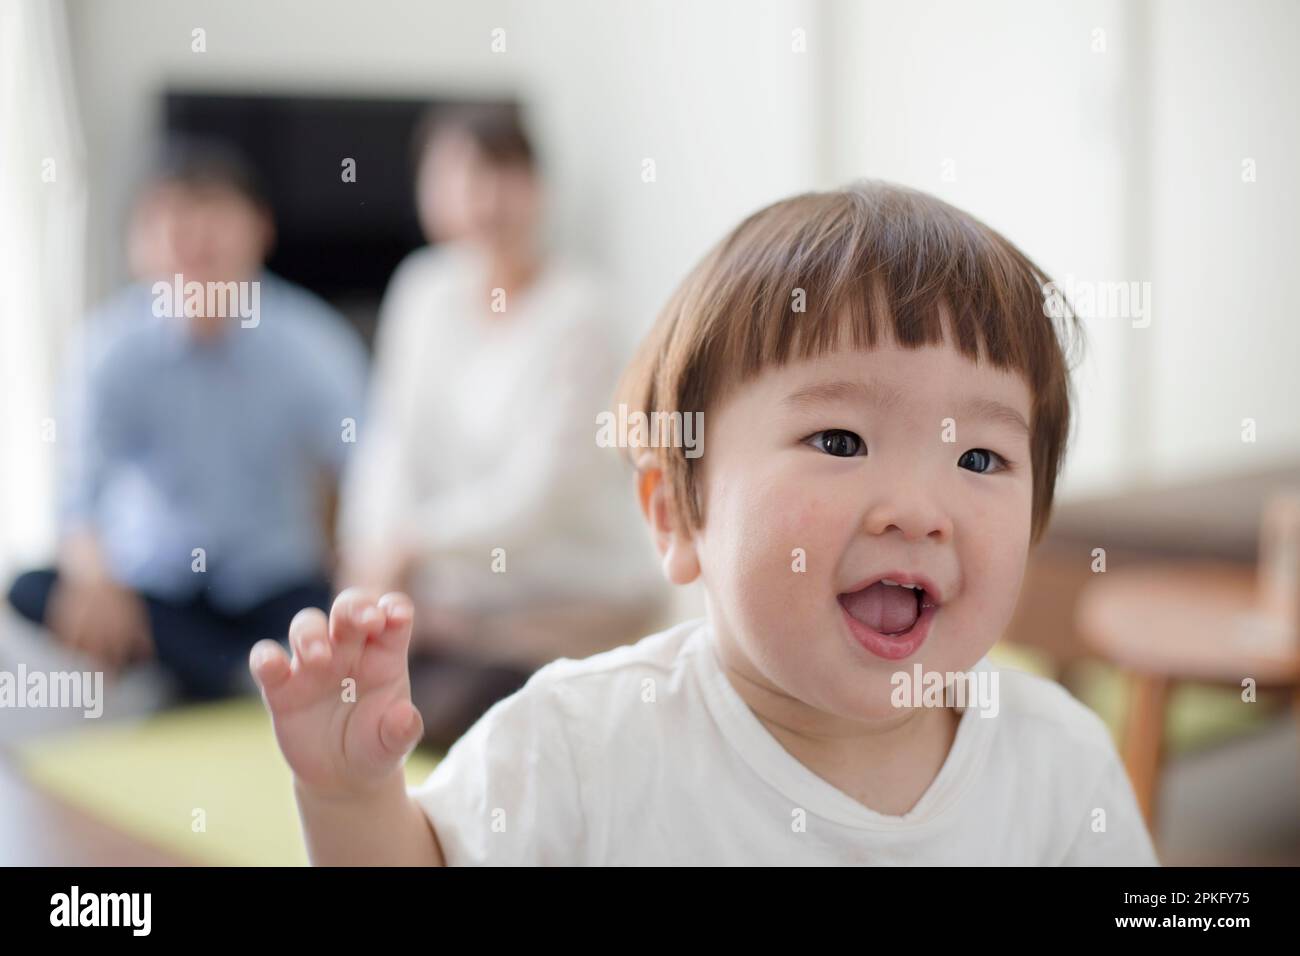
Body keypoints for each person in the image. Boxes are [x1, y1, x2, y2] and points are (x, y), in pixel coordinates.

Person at [250, 181, 1159, 865]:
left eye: (979, 459)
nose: (919, 511)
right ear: (678, 513)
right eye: (840, 438)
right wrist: (350, 797)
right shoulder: (579, 744)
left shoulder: (1059, 762)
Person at [336, 103, 662, 747]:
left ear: (538, 189)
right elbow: (391, 443)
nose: (481, 199)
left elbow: (539, 496)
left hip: (571, 595)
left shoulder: (582, 312)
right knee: (348, 700)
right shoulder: (422, 290)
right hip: (454, 597)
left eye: (502, 174)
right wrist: (372, 550)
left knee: (450, 719)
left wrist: (411, 545)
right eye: (457, 177)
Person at [6, 140, 367, 701]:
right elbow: (79, 498)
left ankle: (210, 672)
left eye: (214, 213)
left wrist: (361, 569)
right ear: (137, 243)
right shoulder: (108, 348)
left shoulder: (312, 343)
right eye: (170, 215)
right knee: (31, 588)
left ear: (260, 228)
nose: (193, 235)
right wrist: (94, 577)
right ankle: (236, 676)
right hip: (155, 593)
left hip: (273, 589)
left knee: (336, 616)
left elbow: (368, 471)